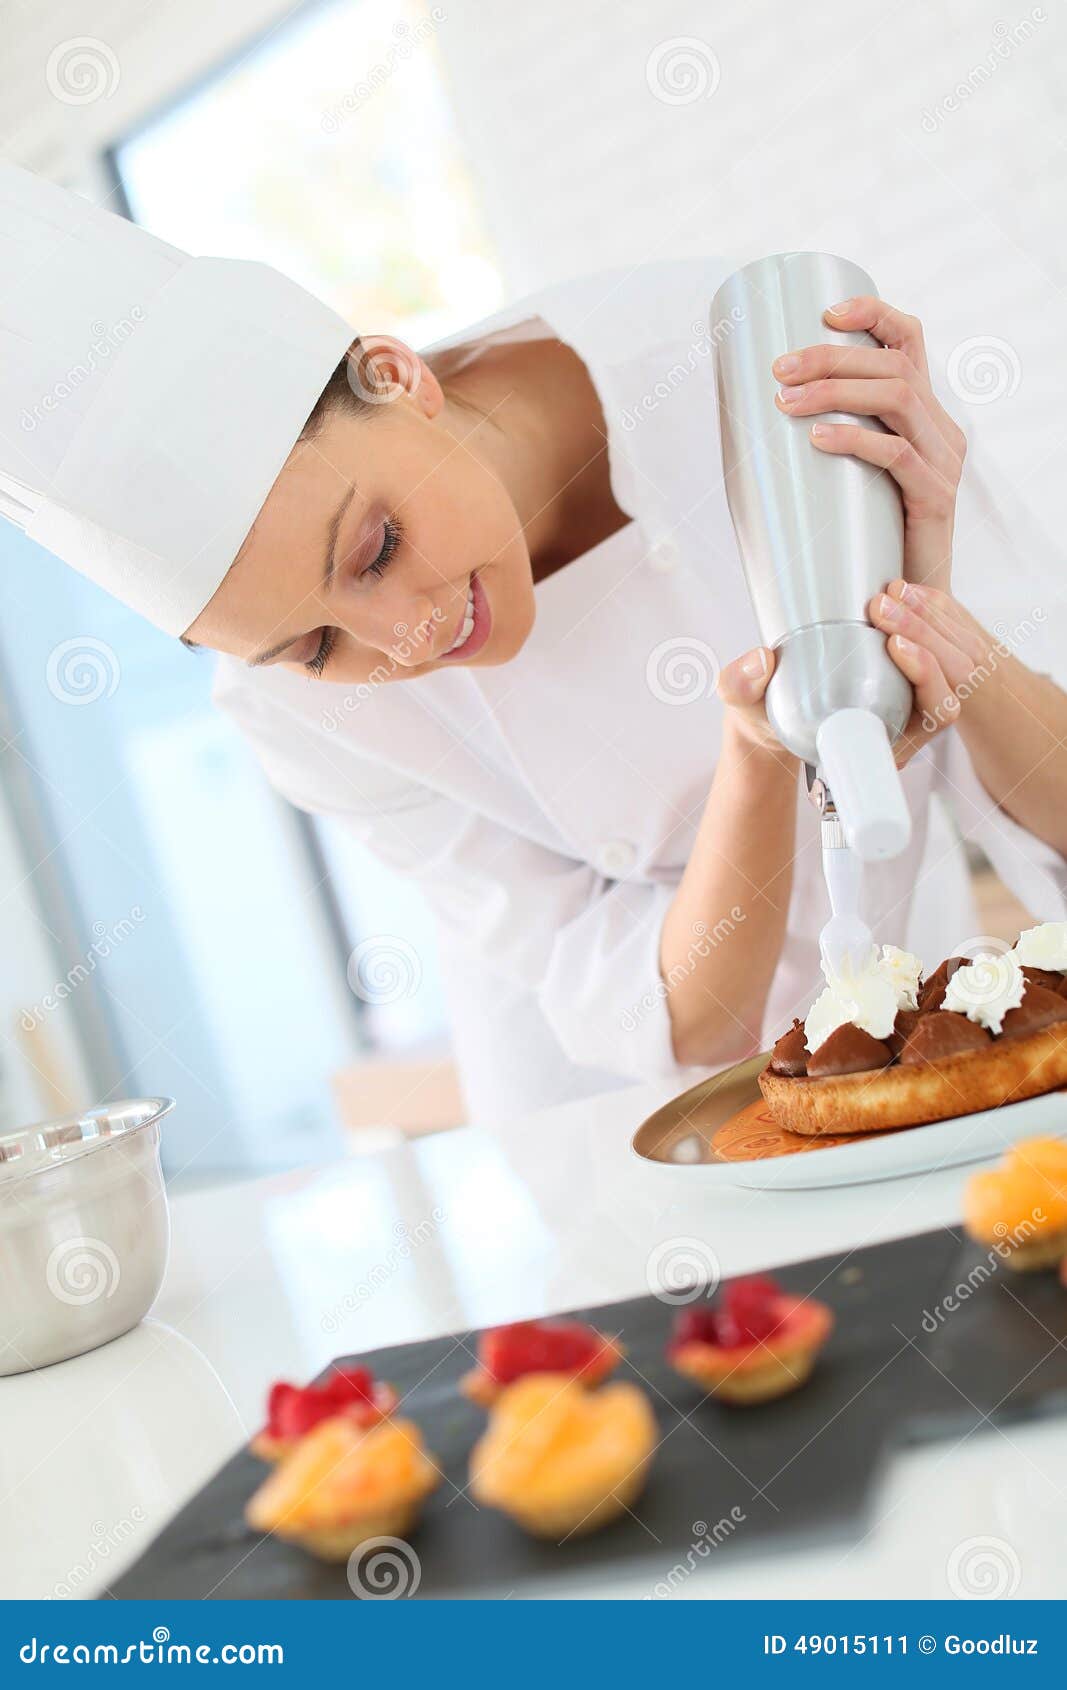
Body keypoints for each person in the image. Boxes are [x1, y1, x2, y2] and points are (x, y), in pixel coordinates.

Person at [3, 164, 1065, 1123]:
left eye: (375, 549)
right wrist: (755, 754)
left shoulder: (749, 368)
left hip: (901, 1042)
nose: (407, 636)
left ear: (395, 376)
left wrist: (929, 611)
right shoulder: (285, 712)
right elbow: (689, 1019)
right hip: (597, 1124)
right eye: (317, 646)